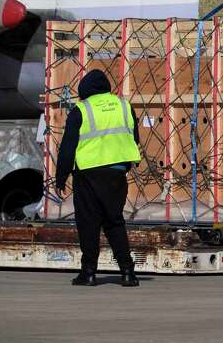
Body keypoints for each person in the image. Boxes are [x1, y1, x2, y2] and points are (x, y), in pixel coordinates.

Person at [55, 68, 142, 286]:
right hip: (117, 172)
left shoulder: (81, 109)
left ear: (84, 90)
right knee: (114, 221)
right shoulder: (124, 106)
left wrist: (61, 176)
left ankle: (89, 272)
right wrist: (123, 163)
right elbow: (135, 137)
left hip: (89, 173)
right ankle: (128, 272)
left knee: (88, 222)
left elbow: (68, 147)